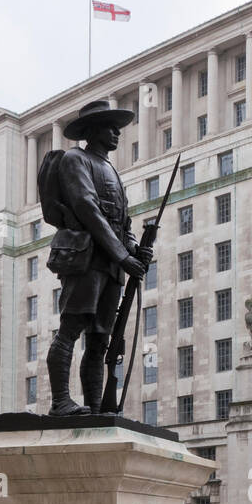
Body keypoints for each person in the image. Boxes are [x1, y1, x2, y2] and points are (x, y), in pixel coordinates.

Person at [45, 99, 153, 416]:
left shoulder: (112, 171)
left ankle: (94, 406)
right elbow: (87, 209)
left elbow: (123, 221)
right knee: (70, 330)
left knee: (101, 340)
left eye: (117, 128)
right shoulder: (75, 160)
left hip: (110, 266)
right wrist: (122, 256)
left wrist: (134, 247)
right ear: (92, 130)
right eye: (109, 127)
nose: (116, 133)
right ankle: (60, 402)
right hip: (87, 259)